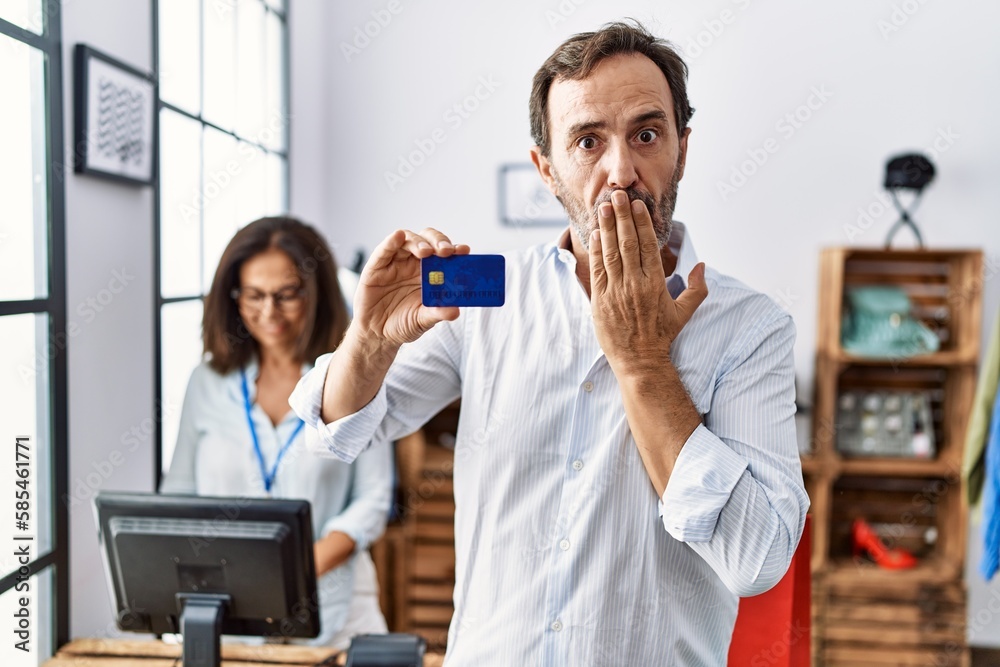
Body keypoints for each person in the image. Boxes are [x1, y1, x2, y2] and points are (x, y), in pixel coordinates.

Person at [290, 21, 809, 665]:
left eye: (647, 134)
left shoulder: (750, 326)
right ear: (547, 168)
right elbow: (335, 433)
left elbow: (756, 559)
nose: (622, 172)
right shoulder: (489, 294)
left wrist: (644, 365)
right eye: (588, 141)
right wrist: (368, 341)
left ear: (682, 147)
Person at [161, 216, 392, 649]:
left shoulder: (352, 376)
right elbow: (181, 491)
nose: (268, 312)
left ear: (315, 292)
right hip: (226, 612)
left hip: (335, 609)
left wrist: (298, 569)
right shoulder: (206, 382)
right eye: (253, 295)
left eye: (286, 295)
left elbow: (373, 499)